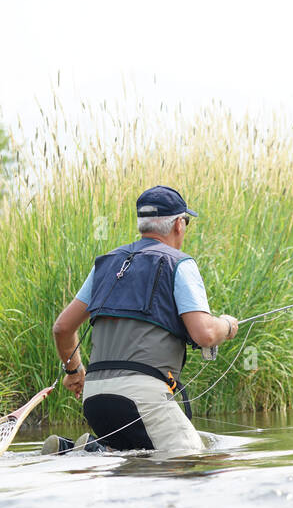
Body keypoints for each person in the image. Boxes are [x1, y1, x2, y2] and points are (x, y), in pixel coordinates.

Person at [44, 185, 238, 455]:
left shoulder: (106, 264)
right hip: (142, 397)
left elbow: (62, 328)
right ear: (179, 225)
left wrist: (74, 372)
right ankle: (92, 449)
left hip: (95, 399)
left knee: (133, 460)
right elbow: (204, 334)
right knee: (194, 460)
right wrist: (227, 326)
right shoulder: (179, 263)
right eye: (187, 222)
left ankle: (86, 449)